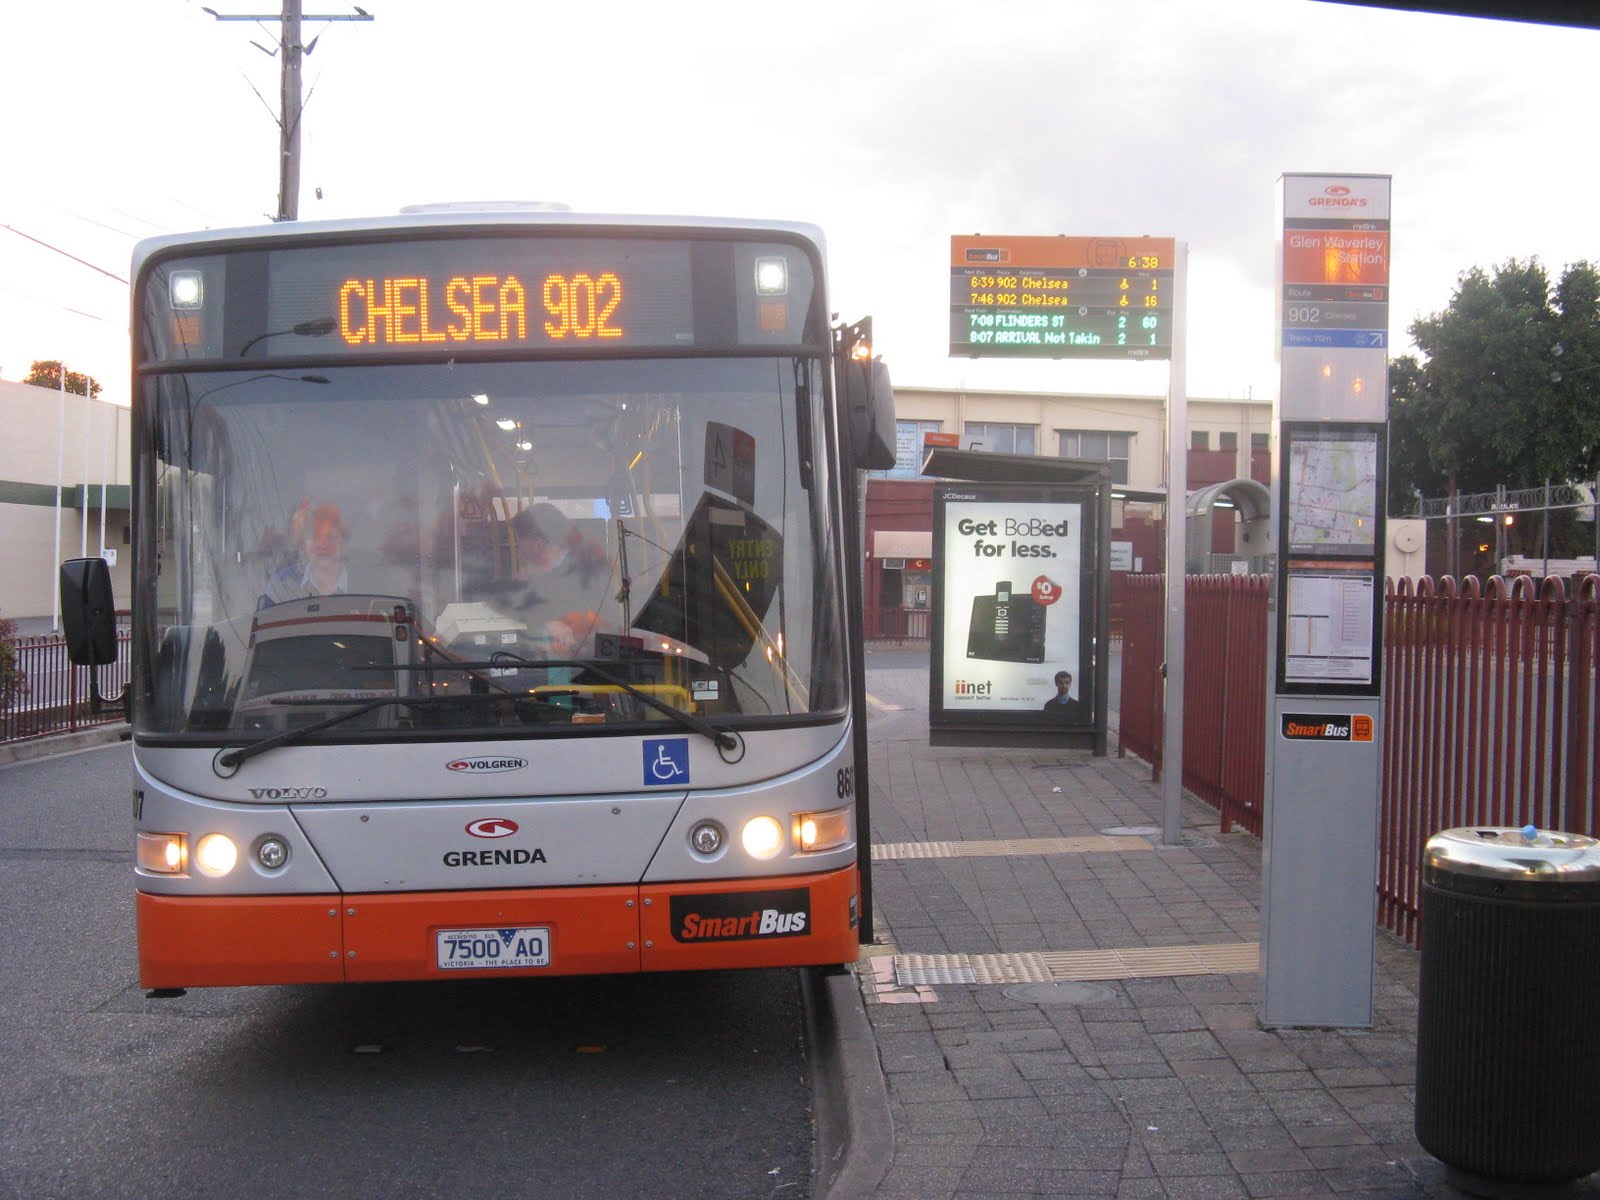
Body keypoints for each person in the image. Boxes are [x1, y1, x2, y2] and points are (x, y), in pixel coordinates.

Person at [259, 500, 350, 609]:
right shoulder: (281, 584)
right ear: (303, 544)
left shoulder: (369, 583)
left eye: (331, 536)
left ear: (342, 542)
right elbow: (263, 622)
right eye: (315, 536)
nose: (323, 545)